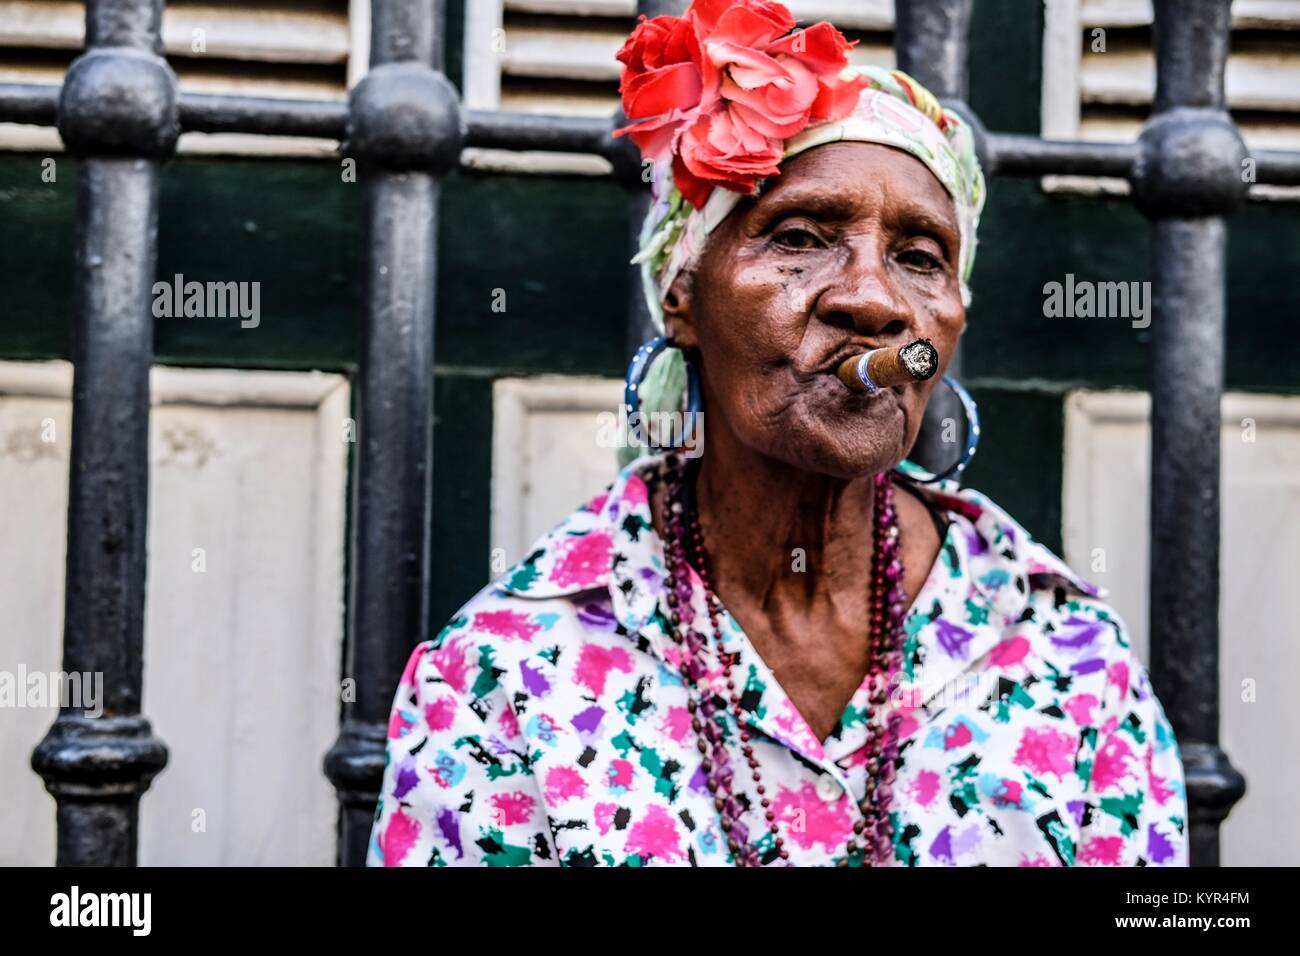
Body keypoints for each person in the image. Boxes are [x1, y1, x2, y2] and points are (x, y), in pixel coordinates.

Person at [366, 0, 1188, 867]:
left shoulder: (1066, 656)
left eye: (919, 257)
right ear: (682, 295)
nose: (873, 300)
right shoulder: (504, 682)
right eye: (799, 237)